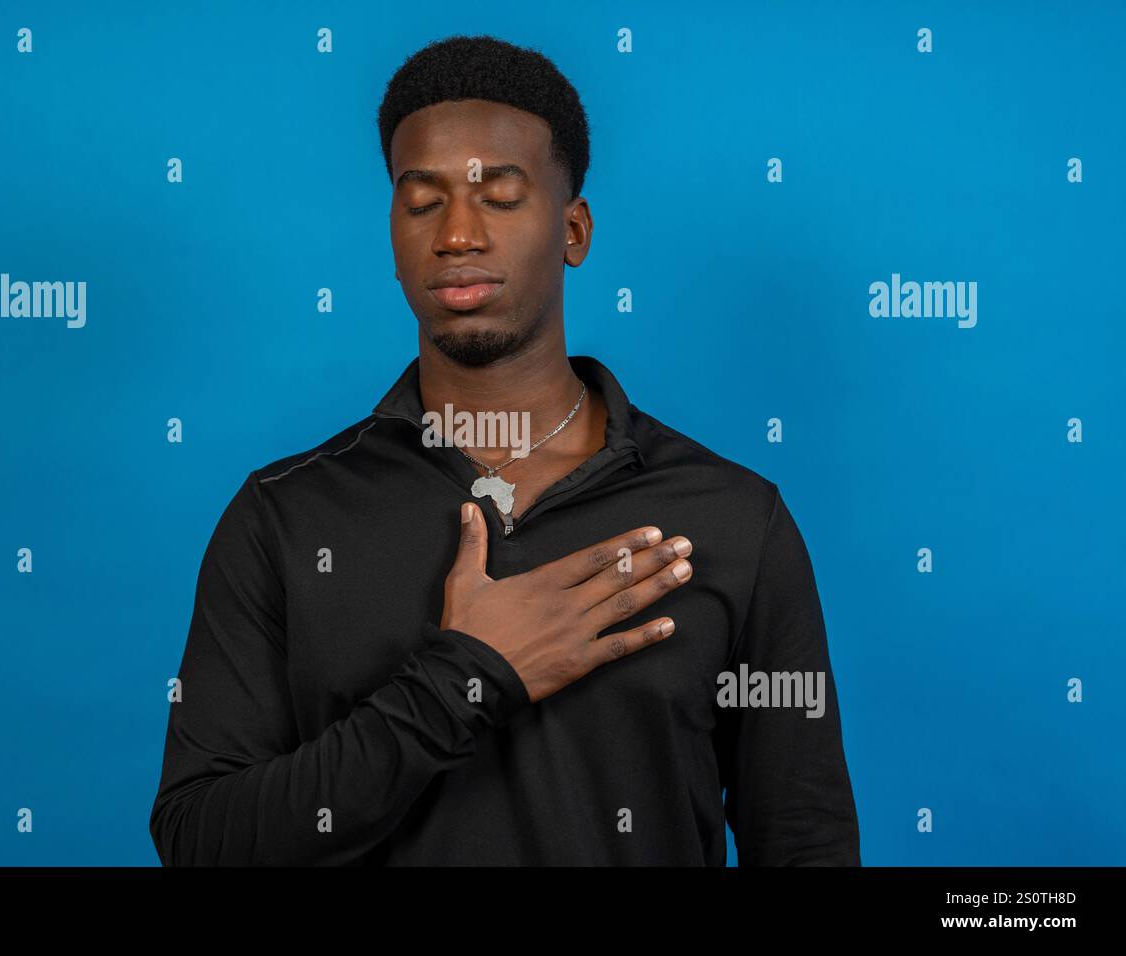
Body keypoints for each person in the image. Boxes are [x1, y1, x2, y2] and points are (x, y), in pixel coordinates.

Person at [148, 34, 859, 865]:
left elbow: (803, 841)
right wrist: (465, 678)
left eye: (500, 198)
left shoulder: (734, 520)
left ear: (574, 229)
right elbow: (201, 842)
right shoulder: (284, 517)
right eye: (422, 203)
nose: (457, 234)